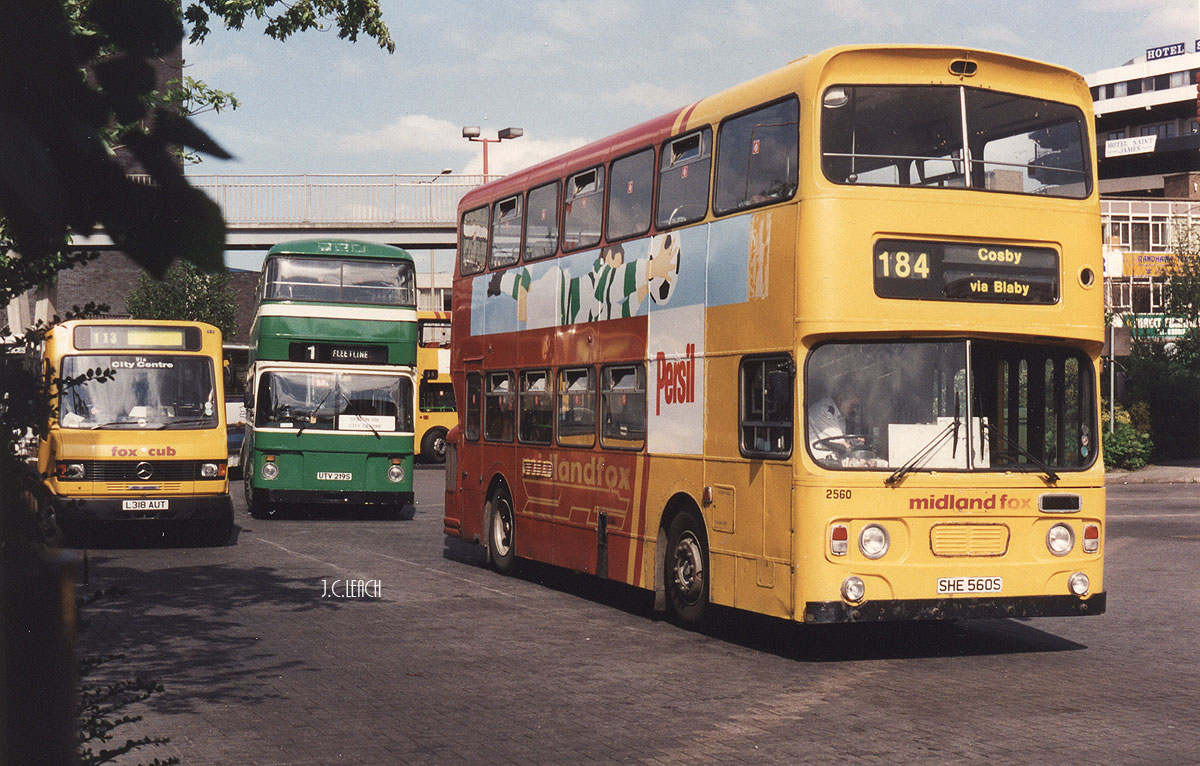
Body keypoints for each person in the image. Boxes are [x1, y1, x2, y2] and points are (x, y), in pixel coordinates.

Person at [808, 388, 862, 463]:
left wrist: (855, 441)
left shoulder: (840, 417)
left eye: (857, 407)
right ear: (840, 399)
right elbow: (840, 444)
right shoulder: (824, 411)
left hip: (831, 462)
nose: (854, 410)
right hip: (818, 463)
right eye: (853, 405)